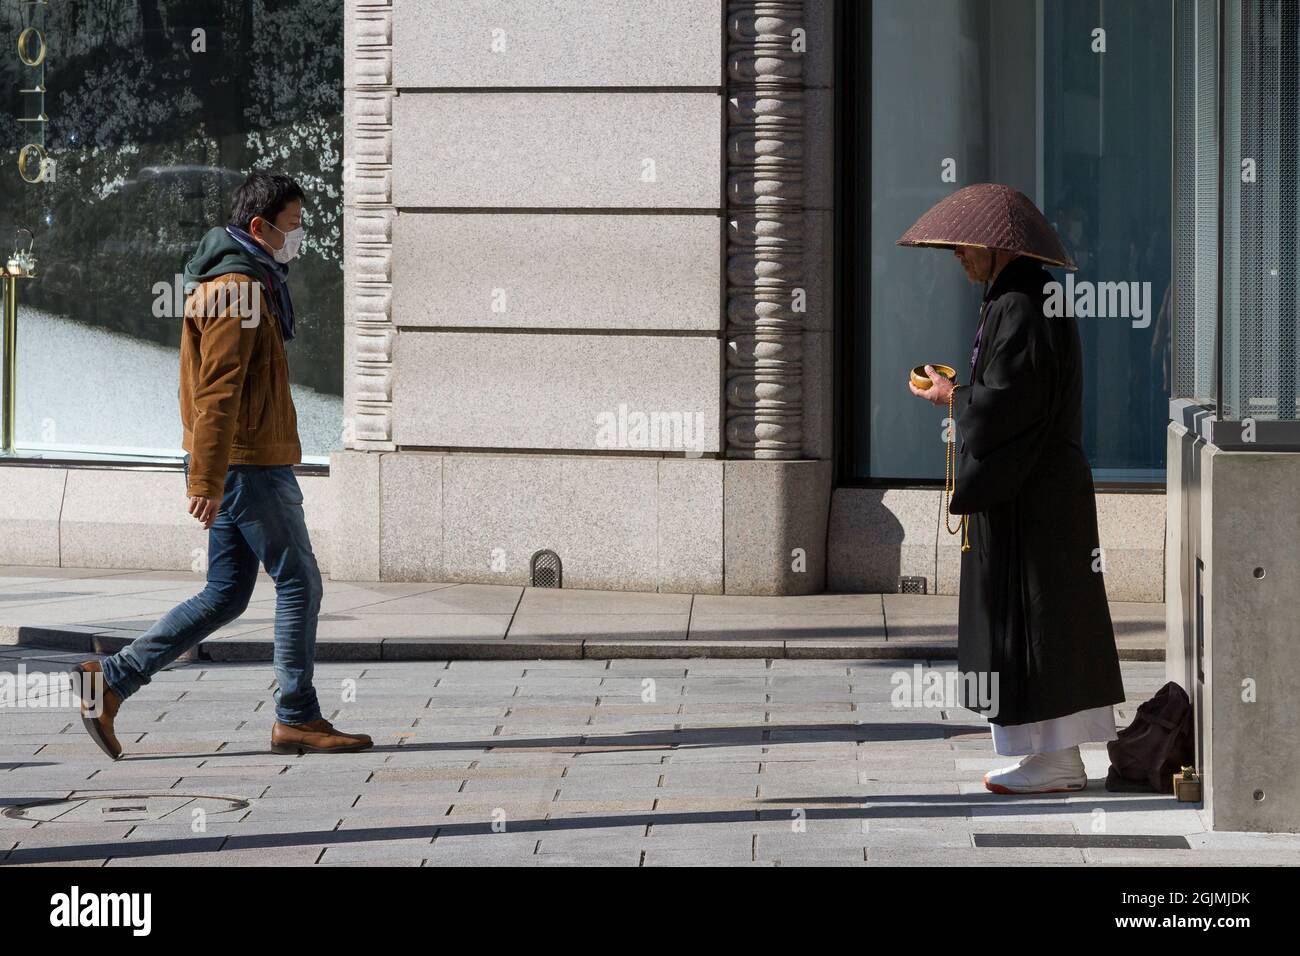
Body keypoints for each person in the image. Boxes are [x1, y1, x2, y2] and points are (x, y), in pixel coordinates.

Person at [73, 171, 372, 759]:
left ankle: (111, 681)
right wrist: (207, 477)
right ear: (258, 227)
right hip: (248, 463)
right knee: (299, 581)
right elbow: (218, 390)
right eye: (293, 225)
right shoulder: (238, 286)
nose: (300, 235)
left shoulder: (241, 277)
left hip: (239, 459)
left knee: (227, 593)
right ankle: (298, 716)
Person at [900, 183, 1126, 794]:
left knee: (1041, 621)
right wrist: (964, 393)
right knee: (1039, 620)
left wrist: (953, 396)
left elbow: (1012, 404)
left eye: (964, 244)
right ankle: (1045, 755)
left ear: (998, 247)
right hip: (1037, 491)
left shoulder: (1023, 303)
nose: (956, 254)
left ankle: (1056, 759)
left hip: (1036, 498)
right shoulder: (1019, 297)